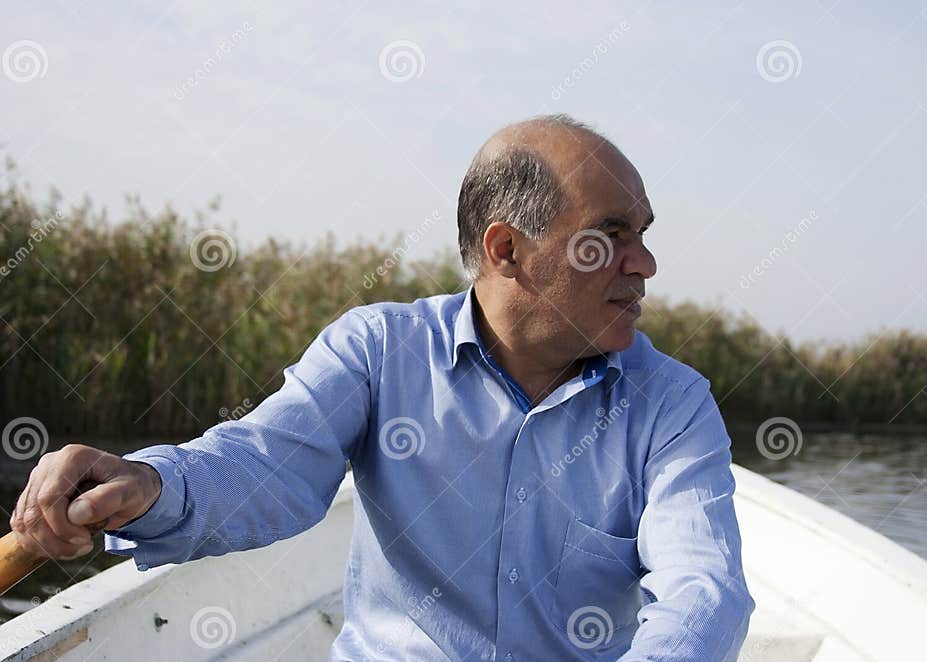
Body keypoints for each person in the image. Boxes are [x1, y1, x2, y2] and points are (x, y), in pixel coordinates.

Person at [9, 114, 755, 660]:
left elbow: (703, 589)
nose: (645, 264)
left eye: (645, 234)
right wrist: (145, 483)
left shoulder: (672, 404)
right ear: (507, 251)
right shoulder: (378, 351)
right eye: (614, 233)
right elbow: (264, 465)